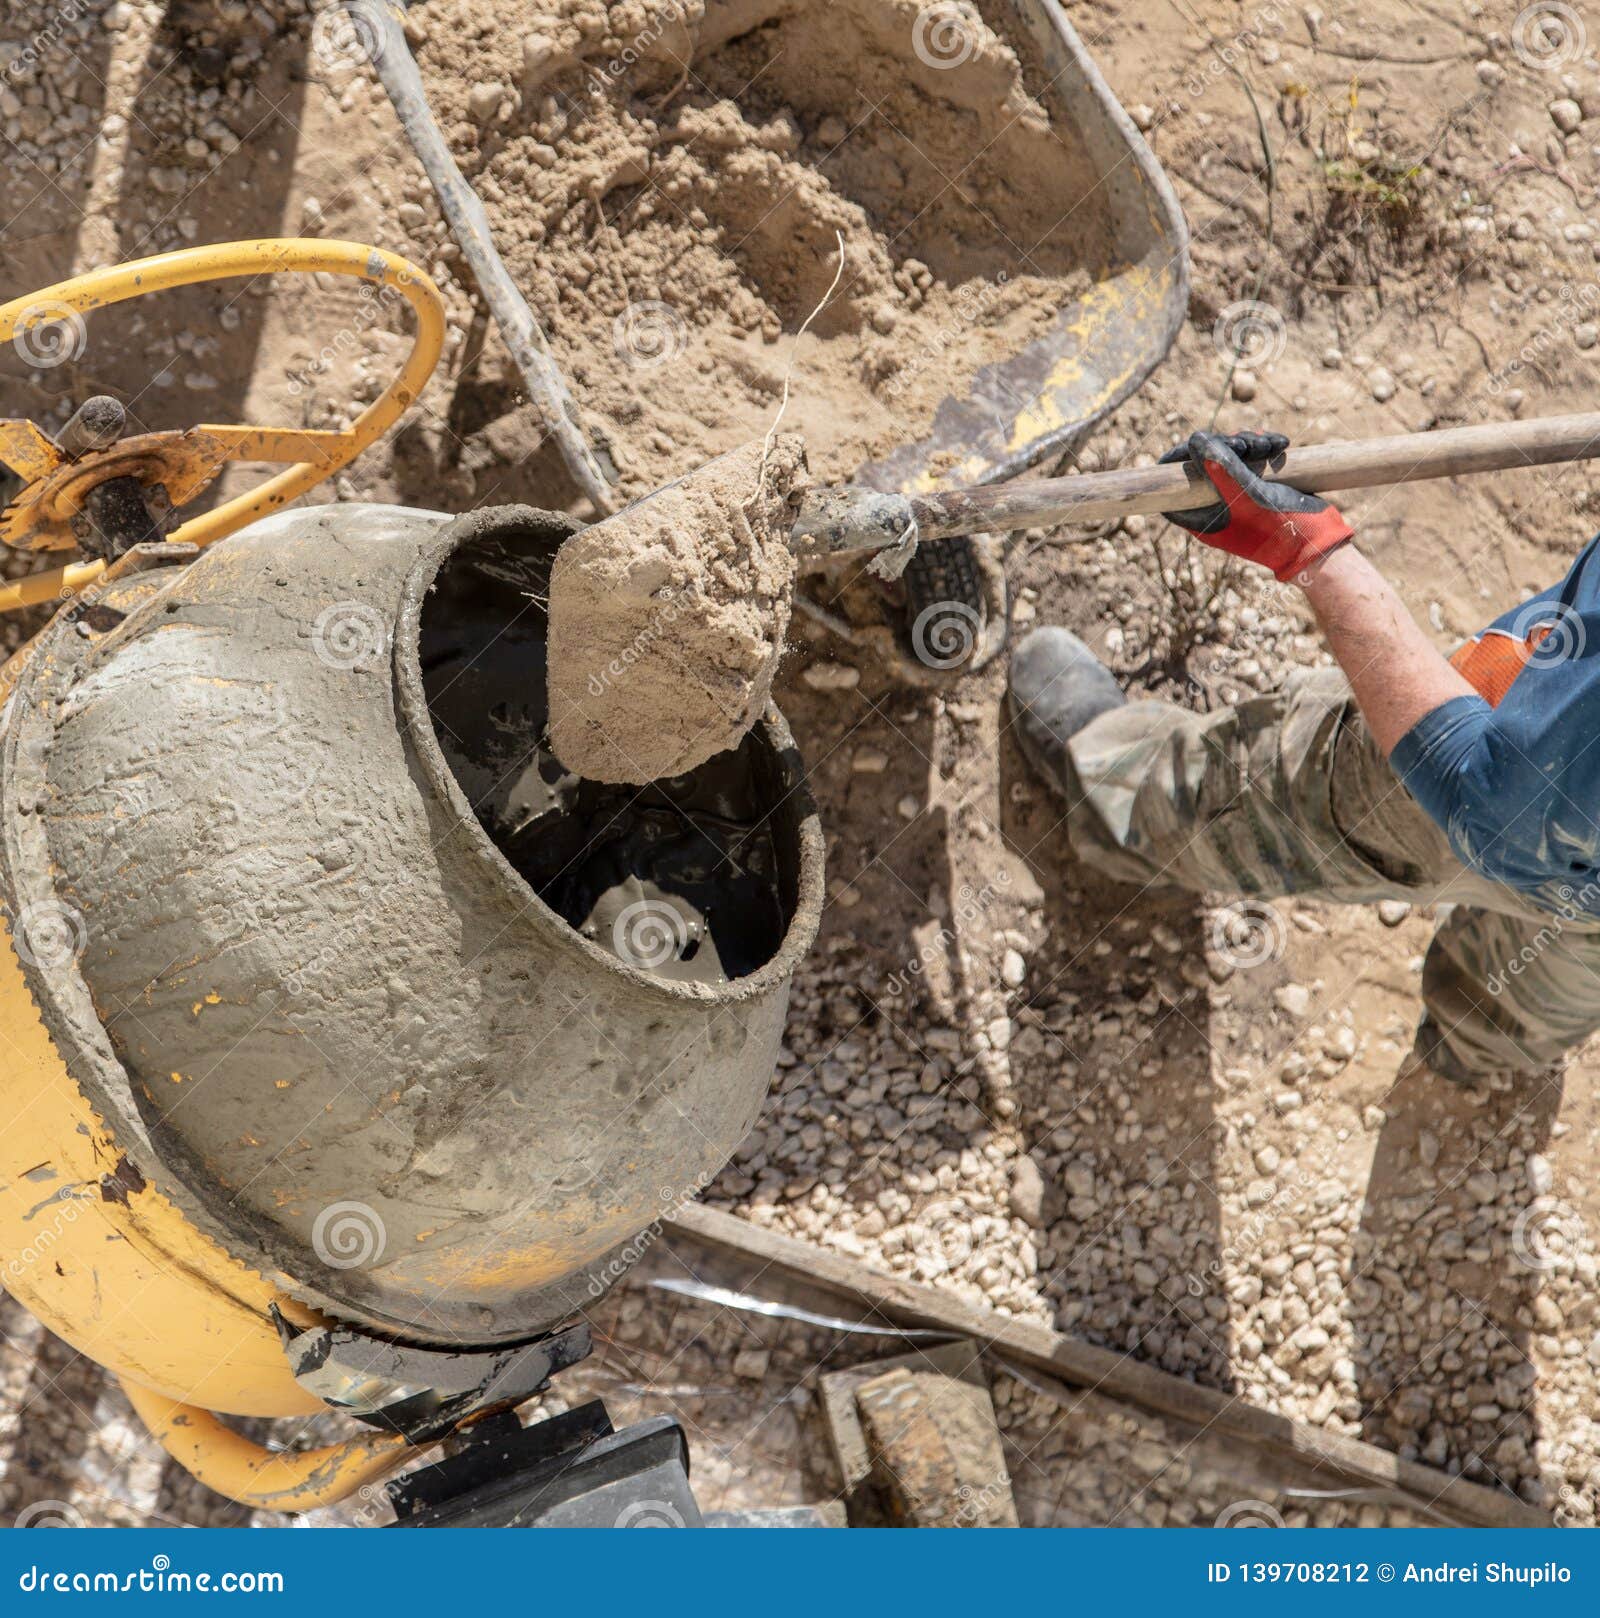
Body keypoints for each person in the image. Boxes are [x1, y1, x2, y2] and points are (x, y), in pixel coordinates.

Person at [1008, 429, 1600, 1085]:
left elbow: (1498, 808)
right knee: (1567, 950)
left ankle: (1116, 788)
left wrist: (1307, 547)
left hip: (1507, 786)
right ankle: (1481, 1047)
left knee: (1288, 792)